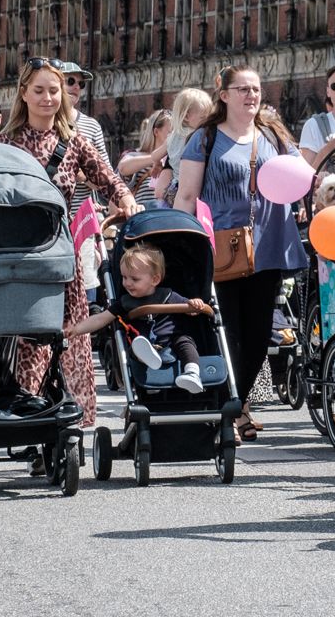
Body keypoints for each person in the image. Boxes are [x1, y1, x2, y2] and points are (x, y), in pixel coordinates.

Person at [0, 60, 139, 434]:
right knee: (28, 335)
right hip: (16, 252)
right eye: (39, 90)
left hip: (60, 251)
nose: (47, 98)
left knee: (68, 333)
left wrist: (125, 199)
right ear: (24, 94)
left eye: (54, 90)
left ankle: (68, 414)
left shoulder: (75, 142)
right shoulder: (4, 142)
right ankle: (26, 414)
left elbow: (109, 180)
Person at [174, 64, 308, 440]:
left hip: (268, 246)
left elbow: (302, 173)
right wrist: (184, 245)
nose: (252, 96)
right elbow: (186, 195)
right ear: (225, 95)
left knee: (259, 332)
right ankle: (229, 409)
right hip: (220, 247)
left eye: (256, 89)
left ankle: (240, 402)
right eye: (243, 89)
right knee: (228, 331)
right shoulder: (205, 138)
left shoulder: (273, 134)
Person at [64, 242, 212, 393]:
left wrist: (194, 304)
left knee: (185, 341)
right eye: (124, 277)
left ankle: (192, 372)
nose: (127, 283)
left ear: (155, 279)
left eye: (134, 279)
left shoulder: (168, 295)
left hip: (170, 344)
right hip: (143, 343)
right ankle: (150, 368)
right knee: (136, 345)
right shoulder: (125, 302)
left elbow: (190, 310)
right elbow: (101, 318)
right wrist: (76, 329)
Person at [51, 61, 112, 169]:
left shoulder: (92, 125)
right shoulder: (44, 120)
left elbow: (107, 171)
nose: (77, 87)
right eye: (70, 81)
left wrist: (84, 176)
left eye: (81, 84)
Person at [118, 109, 175, 203]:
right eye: (170, 132)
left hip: (168, 214)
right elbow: (122, 168)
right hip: (143, 214)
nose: (174, 137)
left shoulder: (174, 159)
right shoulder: (135, 155)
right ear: (156, 132)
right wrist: (156, 157)